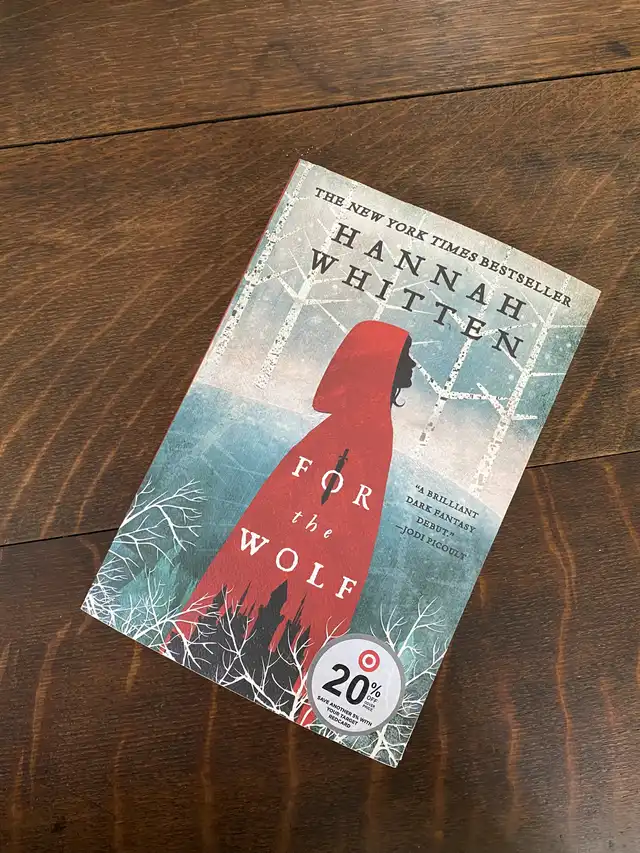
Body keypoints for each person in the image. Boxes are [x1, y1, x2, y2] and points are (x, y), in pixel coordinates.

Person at [166, 319, 415, 691]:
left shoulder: (367, 429)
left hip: (283, 605)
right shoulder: (360, 431)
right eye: (404, 357)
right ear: (381, 367)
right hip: (273, 607)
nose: (412, 365)